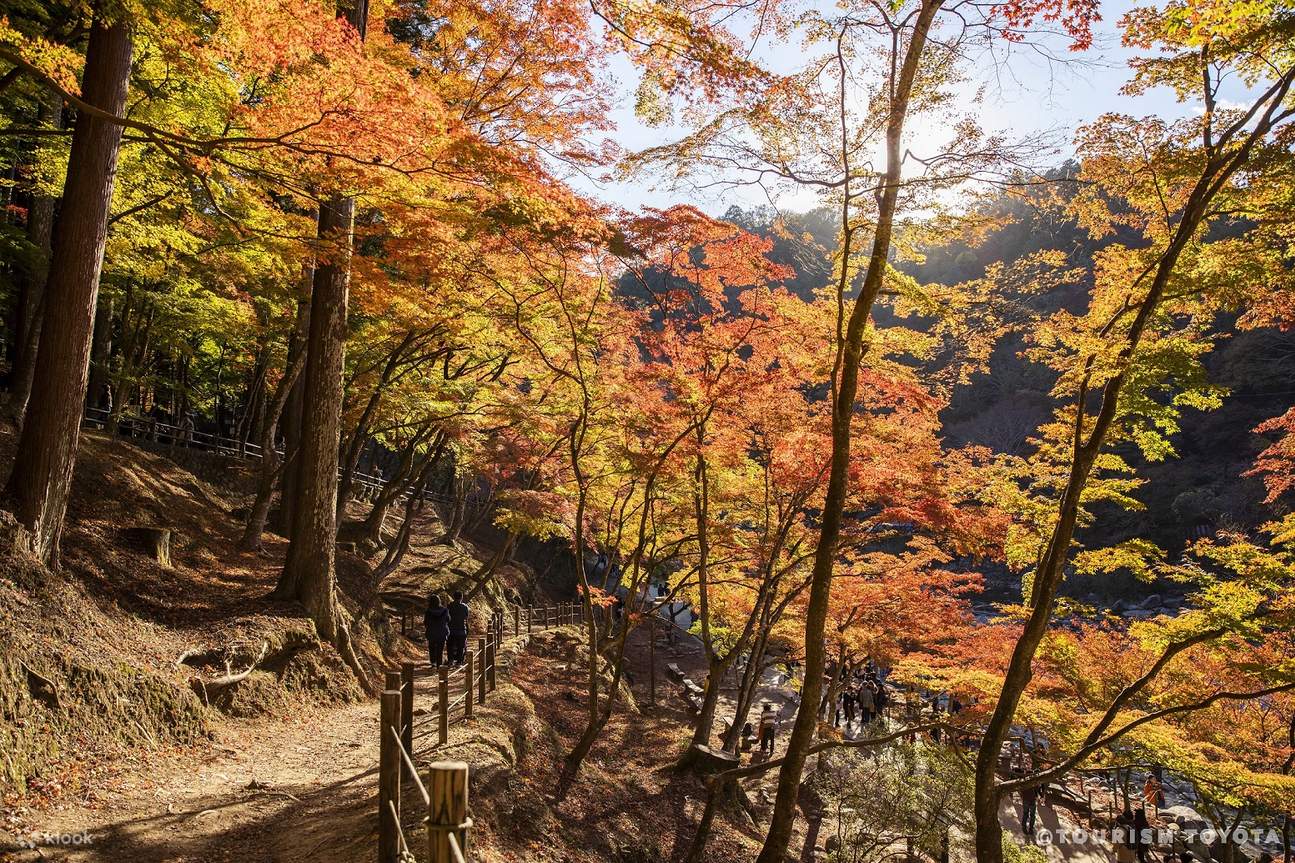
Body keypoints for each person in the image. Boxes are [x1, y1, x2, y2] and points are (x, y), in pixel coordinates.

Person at [424, 593, 450, 667]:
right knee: (440, 649)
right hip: (442, 632)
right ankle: (439, 664)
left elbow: (426, 622)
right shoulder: (445, 610)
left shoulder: (428, 611)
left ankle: (433, 663)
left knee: (432, 648)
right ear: (439, 601)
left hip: (431, 632)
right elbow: (448, 620)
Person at [447, 590, 470, 665]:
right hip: (461, 630)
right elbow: (466, 618)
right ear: (461, 597)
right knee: (461, 647)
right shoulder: (465, 607)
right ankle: (459, 662)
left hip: (451, 630)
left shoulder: (449, 606)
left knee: (450, 646)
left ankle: (450, 660)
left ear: (453, 597)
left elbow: (447, 618)